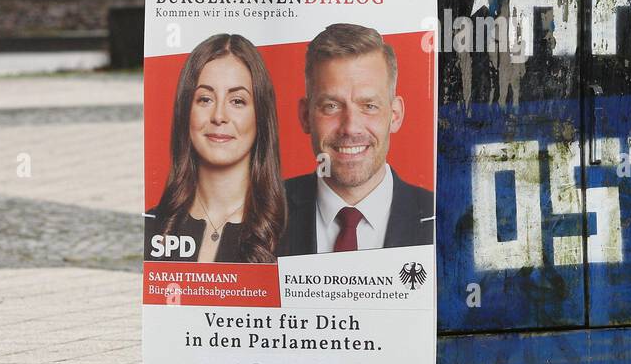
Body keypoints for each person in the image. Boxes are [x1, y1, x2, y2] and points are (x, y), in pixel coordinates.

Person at [279, 24, 434, 257]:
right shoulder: (261, 213)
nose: (350, 127)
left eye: (369, 106)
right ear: (305, 116)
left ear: (395, 115)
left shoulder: (441, 217)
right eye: (331, 106)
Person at [145, 33, 286, 263]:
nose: (219, 116)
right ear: (185, 111)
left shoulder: (296, 231)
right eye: (205, 99)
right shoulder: (153, 225)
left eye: (237, 101)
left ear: (260, 114)